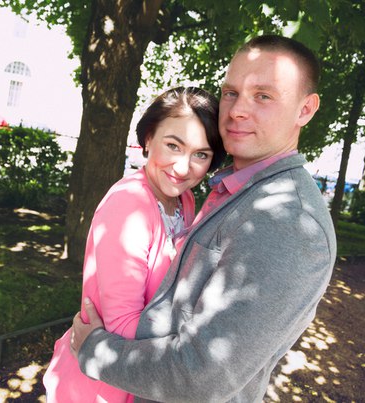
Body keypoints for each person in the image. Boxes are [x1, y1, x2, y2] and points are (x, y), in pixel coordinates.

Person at [70, 34, 337, 402]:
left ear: (305, 109)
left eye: (263, 96)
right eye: (231, 93)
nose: (238, 110)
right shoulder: (237, 190)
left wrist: (95, 351)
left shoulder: (288, 220)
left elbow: (202, 376)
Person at [43, 86, 226, 402]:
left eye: (201, 154)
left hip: (140, 379)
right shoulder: (129, 205)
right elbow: (121, 324)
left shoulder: (183, 199)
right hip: (101, 385)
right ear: (149, 138)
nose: (183, 167)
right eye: (173, 145)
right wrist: (190, 352)